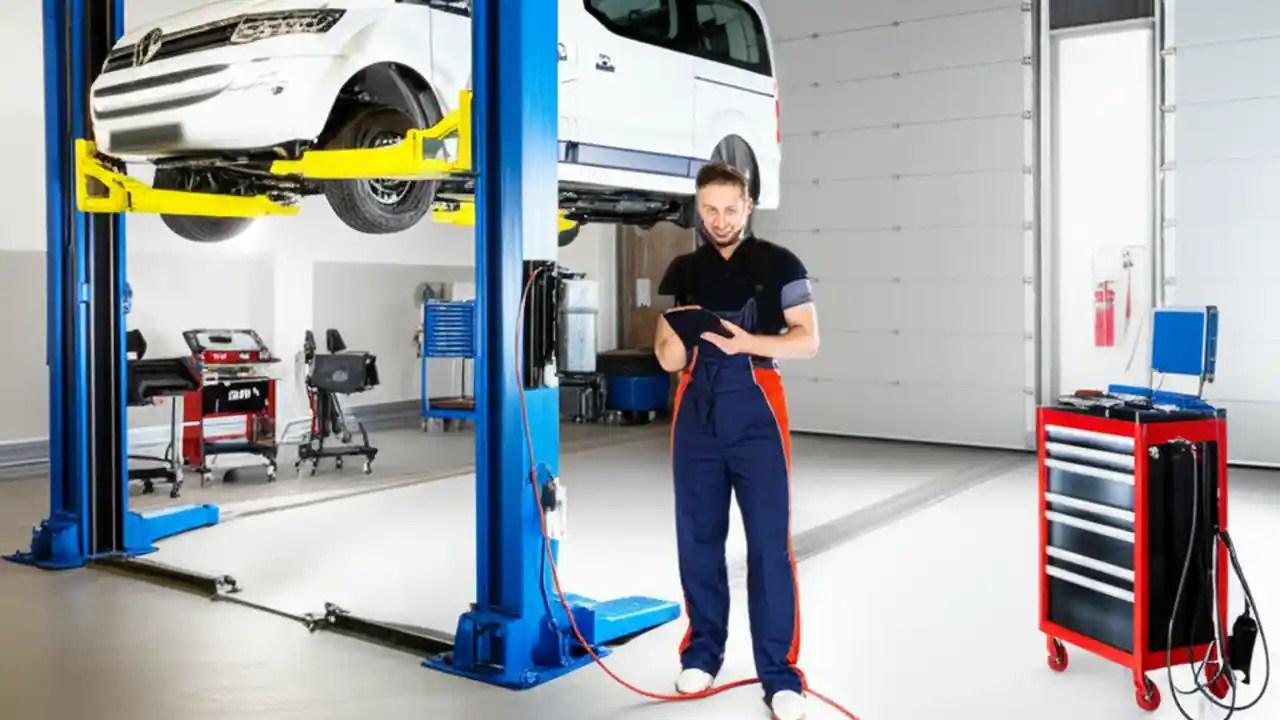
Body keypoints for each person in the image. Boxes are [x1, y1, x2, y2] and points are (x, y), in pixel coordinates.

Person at [653, 162, 820, 720]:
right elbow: (666, 354)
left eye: (729, 209)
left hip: (757, 412)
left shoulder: (780, 264)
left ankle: (780, 675)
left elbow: (808, 341)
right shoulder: (683, 268)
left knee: (769, 546)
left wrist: (748, 340)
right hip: (696, 413)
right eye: (708, 210)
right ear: (697, 210)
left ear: (748, 207)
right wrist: (678, 337)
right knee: (698, 539)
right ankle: (702, 654)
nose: (719, 220)